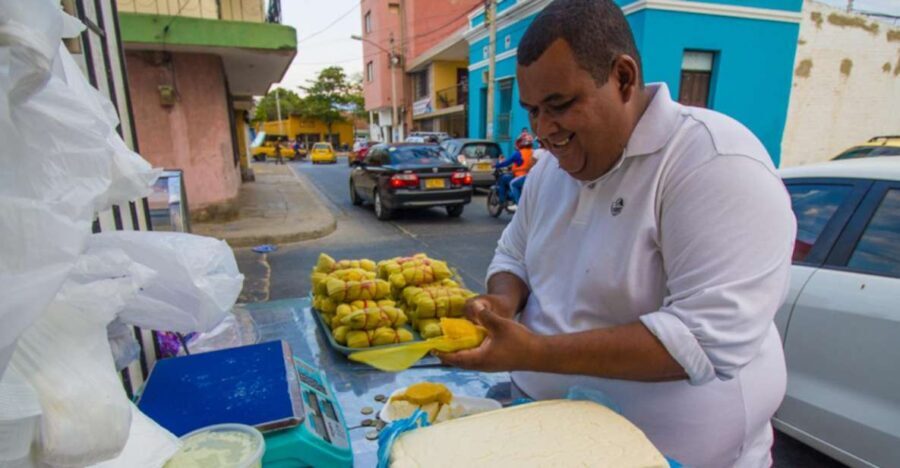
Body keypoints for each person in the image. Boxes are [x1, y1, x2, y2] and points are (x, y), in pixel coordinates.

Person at [437, 1, 796, 466]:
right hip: (538, 437)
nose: (544, 131)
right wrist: (501, 305)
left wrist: (536, 353)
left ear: (624, 79)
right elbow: (513, 257)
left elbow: (704, 341)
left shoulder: (712, 162)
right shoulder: (549, 171)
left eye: (560, 106)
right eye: (532, 111)